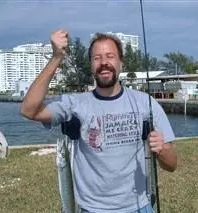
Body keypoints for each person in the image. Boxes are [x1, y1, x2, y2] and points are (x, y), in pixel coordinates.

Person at [21, 29, 177, 213]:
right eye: (97, 58)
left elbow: (172, 165)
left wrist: (163, 150)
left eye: (110, 56)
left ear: (121, 63)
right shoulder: (74, 104)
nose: (104, 63)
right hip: (91, 209)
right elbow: (28, 110)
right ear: (91, 65)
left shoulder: (146, 103)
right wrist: (56, 58)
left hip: (139, 207)